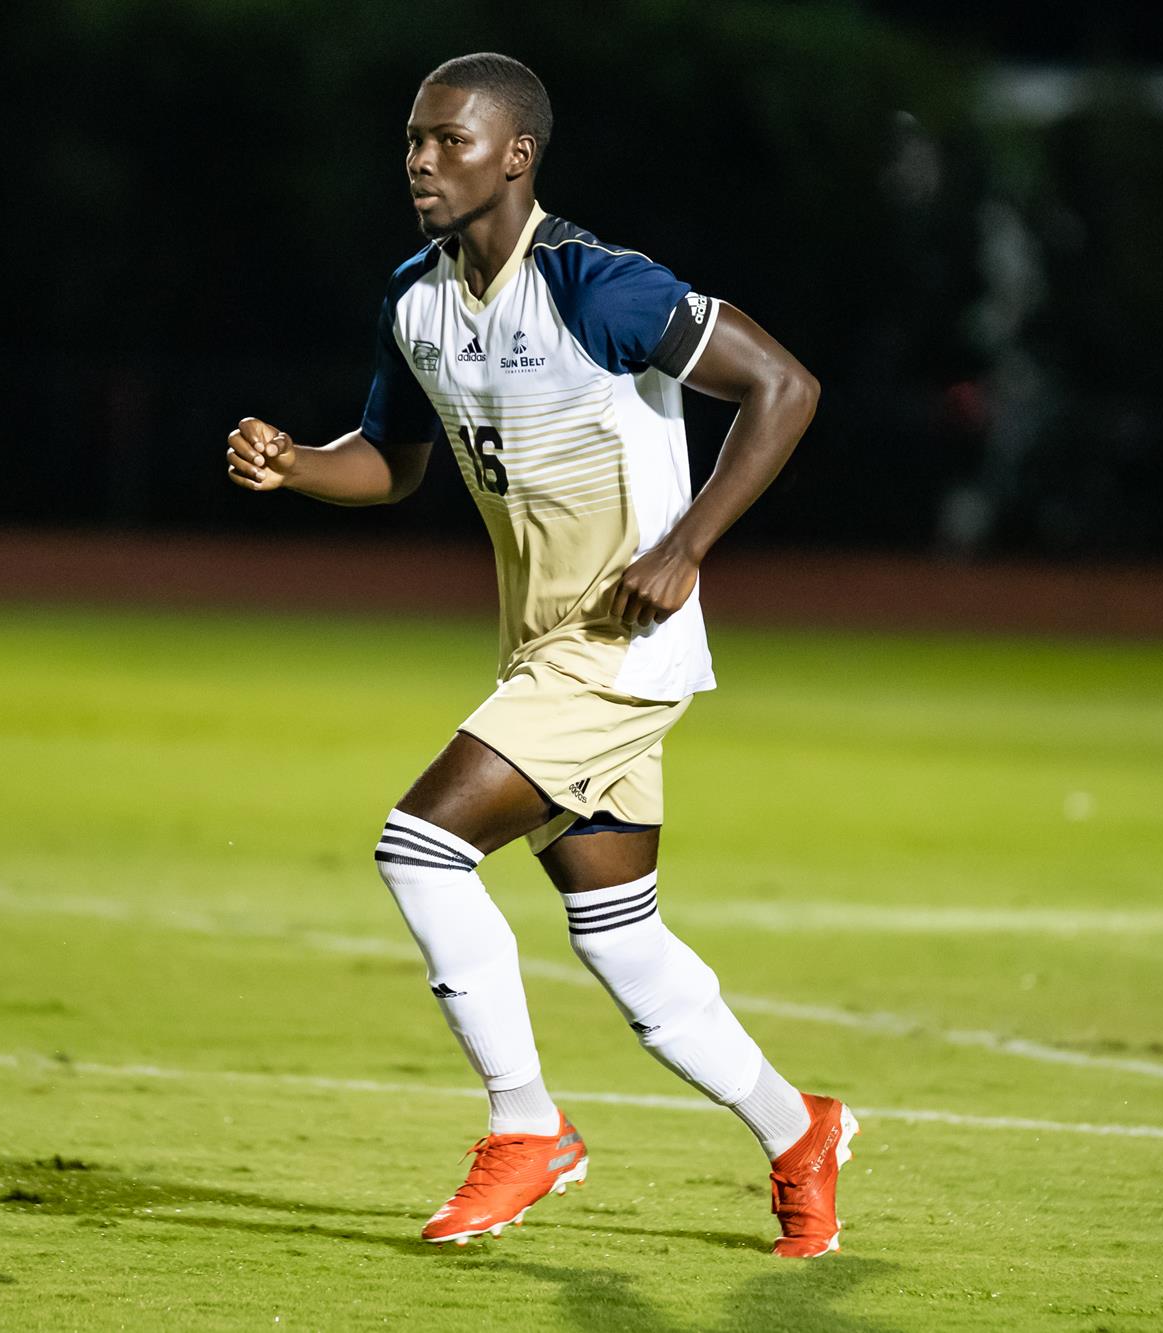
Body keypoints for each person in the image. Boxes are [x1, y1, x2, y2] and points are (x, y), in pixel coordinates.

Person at [224, 52, 852, 1258]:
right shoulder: (413, 300)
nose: (420, 161)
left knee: (418, 847)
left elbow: (784, 386)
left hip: (620, 646)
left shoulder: (594, 286)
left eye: (449, 141)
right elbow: (392, 462)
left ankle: (527, 1129)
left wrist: (685, 548)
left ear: (515, 155)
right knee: (620, 939)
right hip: (540, 654)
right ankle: (799, 1130)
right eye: (412, 140)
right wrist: (300, 463)